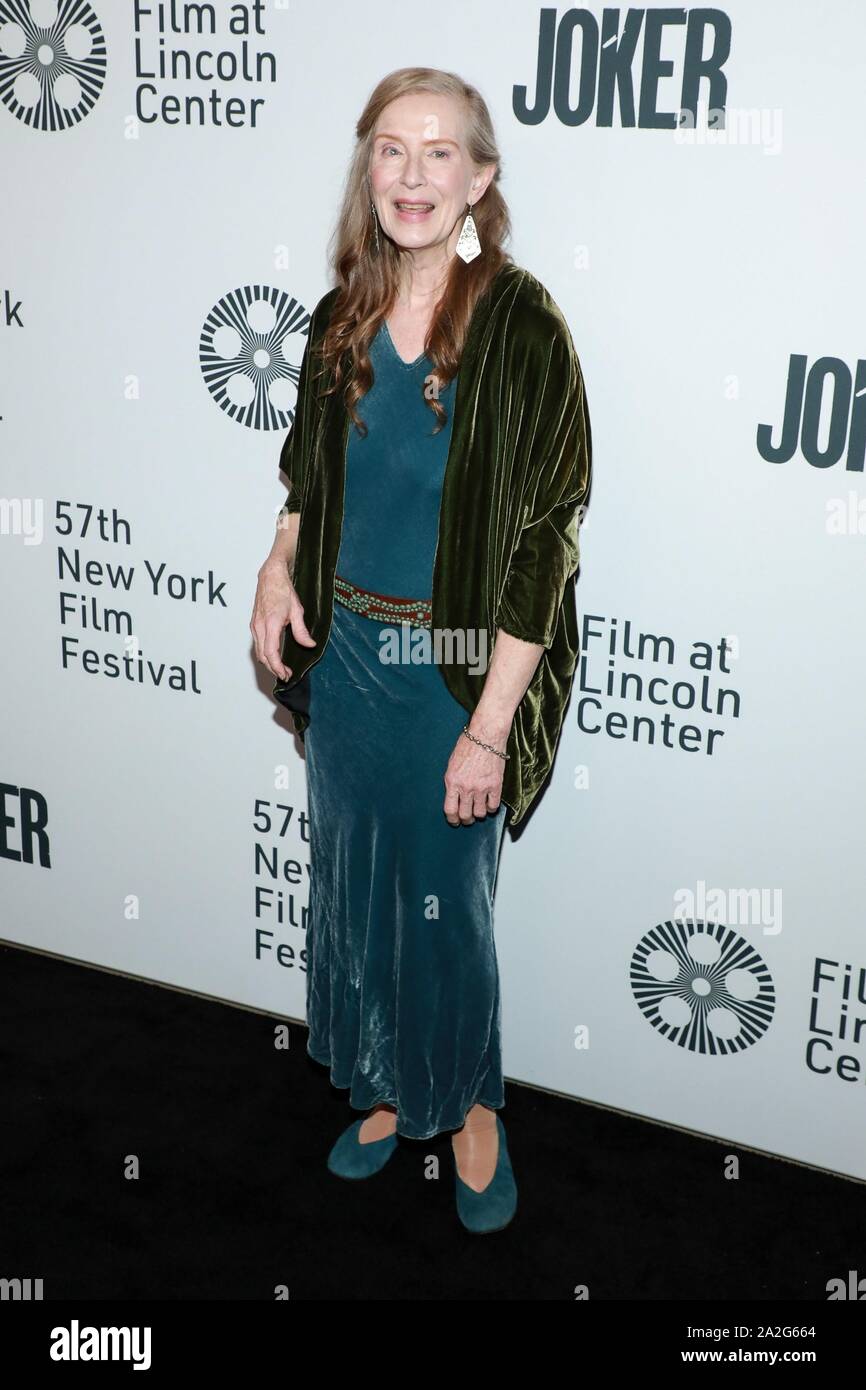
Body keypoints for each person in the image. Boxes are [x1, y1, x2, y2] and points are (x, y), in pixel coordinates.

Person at [250, 67, 591, 1235]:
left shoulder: (519, 324)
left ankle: (473, 1105)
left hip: (453, 665)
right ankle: (394, 1086)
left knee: (448, 907)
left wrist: (489, 724)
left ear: (479, 181)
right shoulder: (338, 313)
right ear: (369, 171)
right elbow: (305, 477)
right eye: (391, 150)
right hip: (342, 654)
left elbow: (546, 541)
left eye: (439, 151)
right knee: (359, 892)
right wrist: (274, 564)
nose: (411, 173)